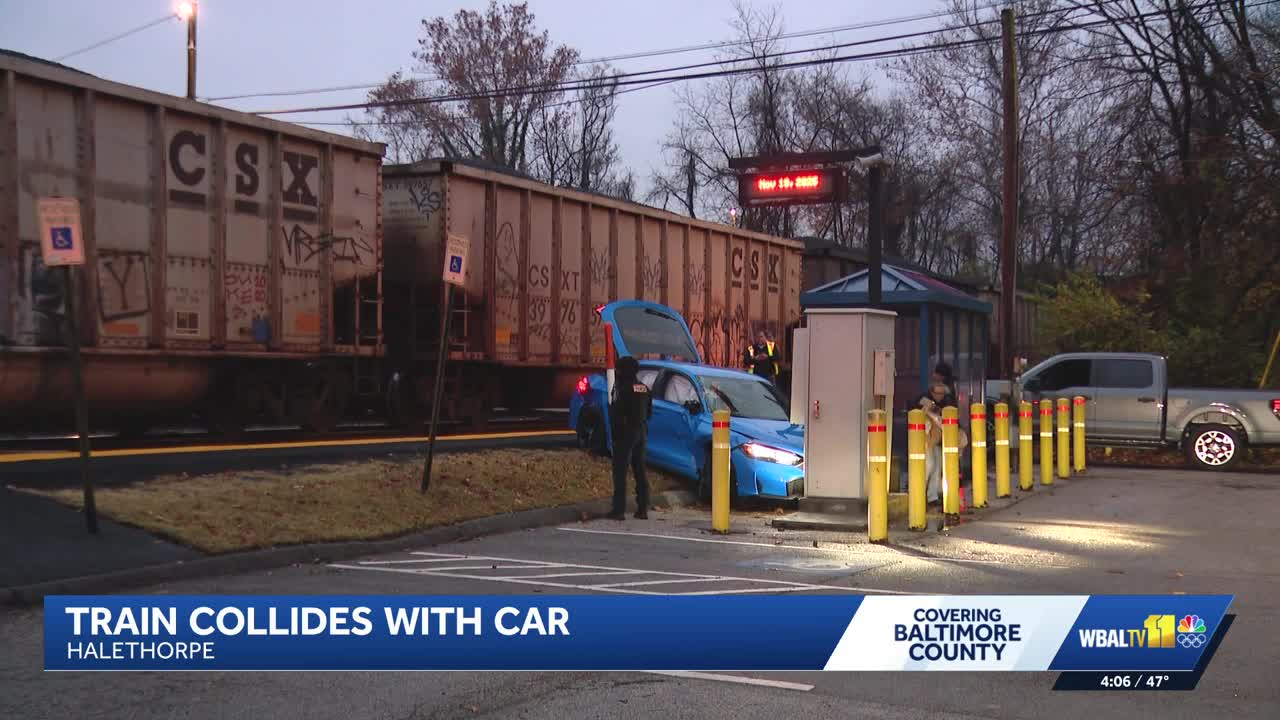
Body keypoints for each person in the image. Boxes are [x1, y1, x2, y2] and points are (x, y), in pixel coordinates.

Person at [608, 355, 653, 520]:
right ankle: (643, 508)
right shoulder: (644, 388)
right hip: (641, 431)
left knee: (620, 471)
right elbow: (649, 412)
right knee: (640, 470)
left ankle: (618, 510)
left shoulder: (623, 389)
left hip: (626, 433)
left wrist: (616, 433)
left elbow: (617, 413)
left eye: (618, 370)